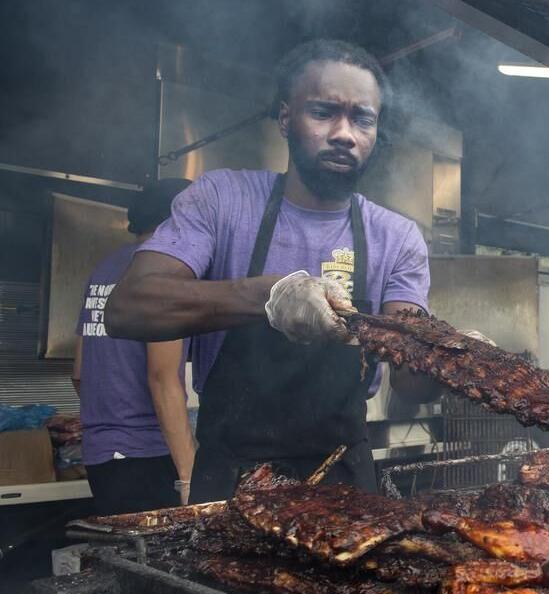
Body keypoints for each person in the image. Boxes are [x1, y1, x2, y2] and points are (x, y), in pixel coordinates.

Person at [106, 40, 440, 503]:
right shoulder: (222, 200)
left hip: (343, 482)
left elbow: (409, 382)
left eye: (362, 119)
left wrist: (449, 359)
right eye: (324, 112)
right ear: (285, 118)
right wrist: (267, 297)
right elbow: (127, 308)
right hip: (231, 481)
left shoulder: (397, 237)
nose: (344, 134)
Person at [72, 178, 194, 515]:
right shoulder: (165, 271)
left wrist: (113, 422)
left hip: (101, 454)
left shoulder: (104, 270)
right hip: (149, 454)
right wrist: (188, 476)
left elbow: (80, 373)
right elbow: (162, 378)